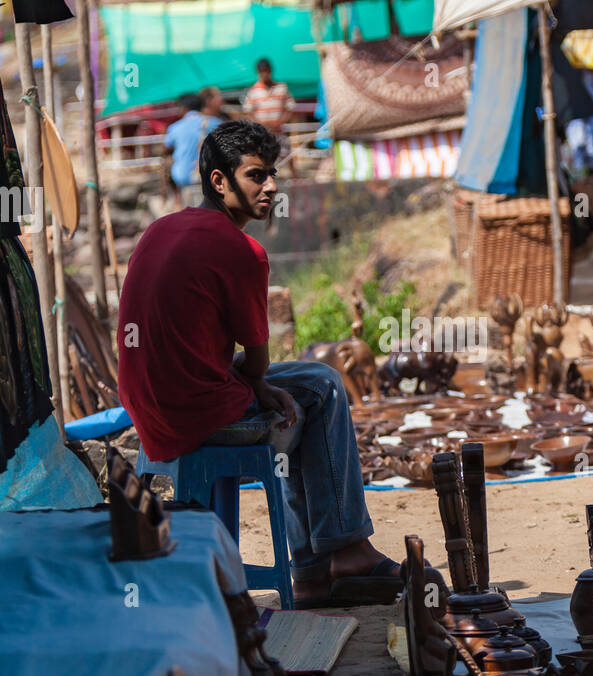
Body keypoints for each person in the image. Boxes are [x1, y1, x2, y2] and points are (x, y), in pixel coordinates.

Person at [118, 120, 419, 610]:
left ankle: (321, 568)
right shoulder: (242, 250)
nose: (272, 186)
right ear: (220, 182)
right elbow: (257, 360)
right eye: (257, 176)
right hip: (194, 414)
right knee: (321, 387)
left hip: (149, 408)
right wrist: (257, 383)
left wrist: (253, 381)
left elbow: (207, 350)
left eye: (272, 174)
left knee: (298, 396)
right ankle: (340, 555)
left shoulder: (159, 230)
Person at [164, 88, 225, 207]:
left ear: (184, 108)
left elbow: (165, 149)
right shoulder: (216, 123)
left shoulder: (175, 127)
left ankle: (172, 201)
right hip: (209, 179)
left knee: (167, 164)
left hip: (183, 178)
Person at [242, 58, 293, 138]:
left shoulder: (281, 88)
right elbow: (248, 112)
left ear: (270, 70)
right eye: (261, 72)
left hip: (279, 133)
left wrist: (279, 122)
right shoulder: (253, 91)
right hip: (261, 135)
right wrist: (261, 125)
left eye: (266, 71)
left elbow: (290, 108)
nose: (264, 74)